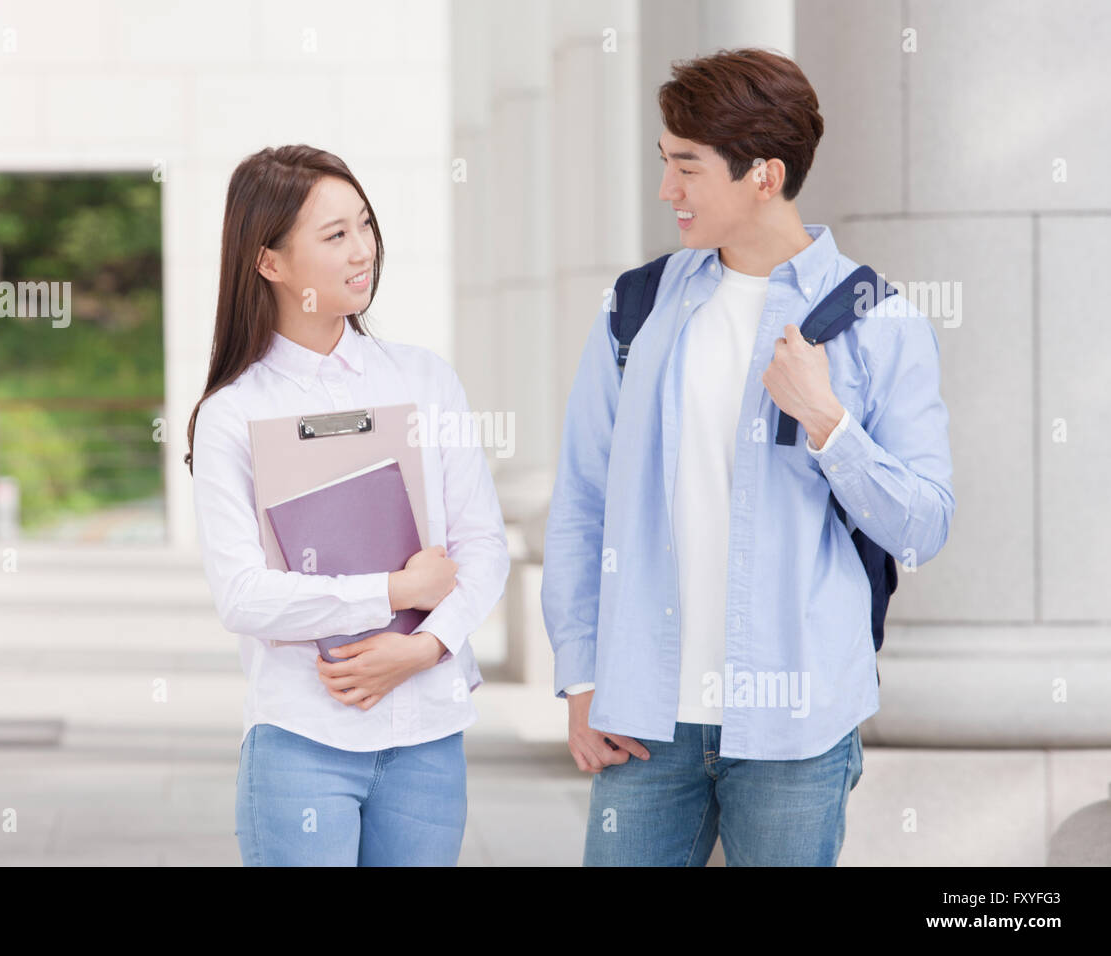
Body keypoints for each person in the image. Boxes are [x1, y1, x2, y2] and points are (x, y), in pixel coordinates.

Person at [541, 48, 955, 866]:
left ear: (764, 175)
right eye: (666, 163)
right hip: (644, 719)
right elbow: (583, 500)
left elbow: (926, 525)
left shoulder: (879, 321)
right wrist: (582, 675)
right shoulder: (636, 308)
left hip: (796, 730)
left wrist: (830, 423)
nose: (668, 190)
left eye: (687, 168)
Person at [186, 144, 510, 866]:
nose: (363, 250)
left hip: (427, 738)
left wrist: (423, 646)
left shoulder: (425, 380)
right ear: (269, 262)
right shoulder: (234, 415)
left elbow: (483, 545)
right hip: (303, 739)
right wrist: (392, 593)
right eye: (335, 236)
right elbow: (242, 597)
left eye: (364, 225)